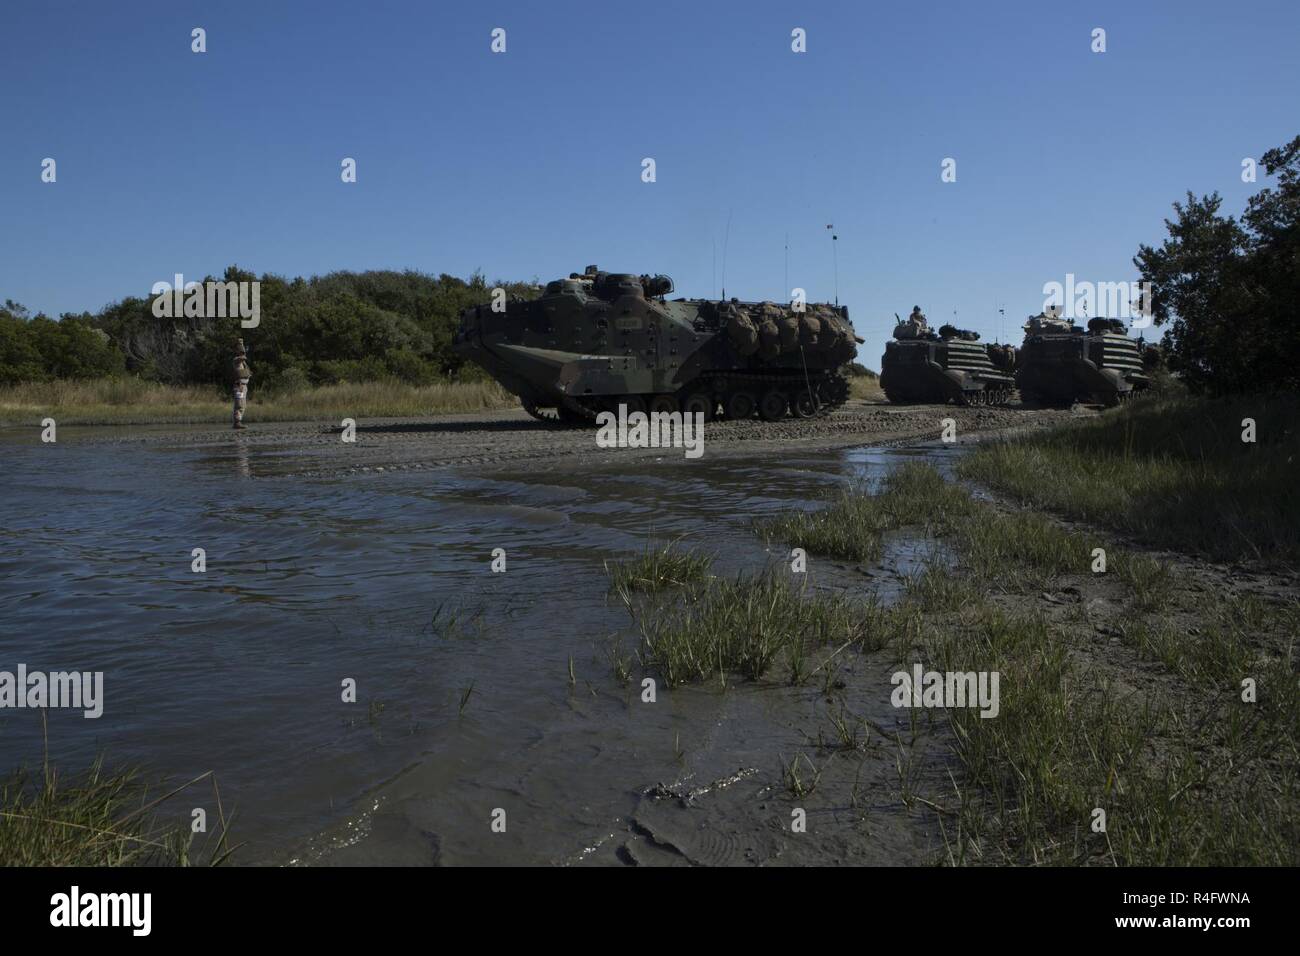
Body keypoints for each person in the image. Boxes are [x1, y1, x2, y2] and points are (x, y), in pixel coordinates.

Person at [231, 339, 252, 430]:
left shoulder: (243, 363)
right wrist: (241, 345)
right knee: (239, 404)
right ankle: (237, 423)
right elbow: (243, 357)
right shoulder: (236, 360)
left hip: (243, 386)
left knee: (243, 405)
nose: (243, 353)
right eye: (241, 351)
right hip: (239, 386)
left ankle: (238, 422)